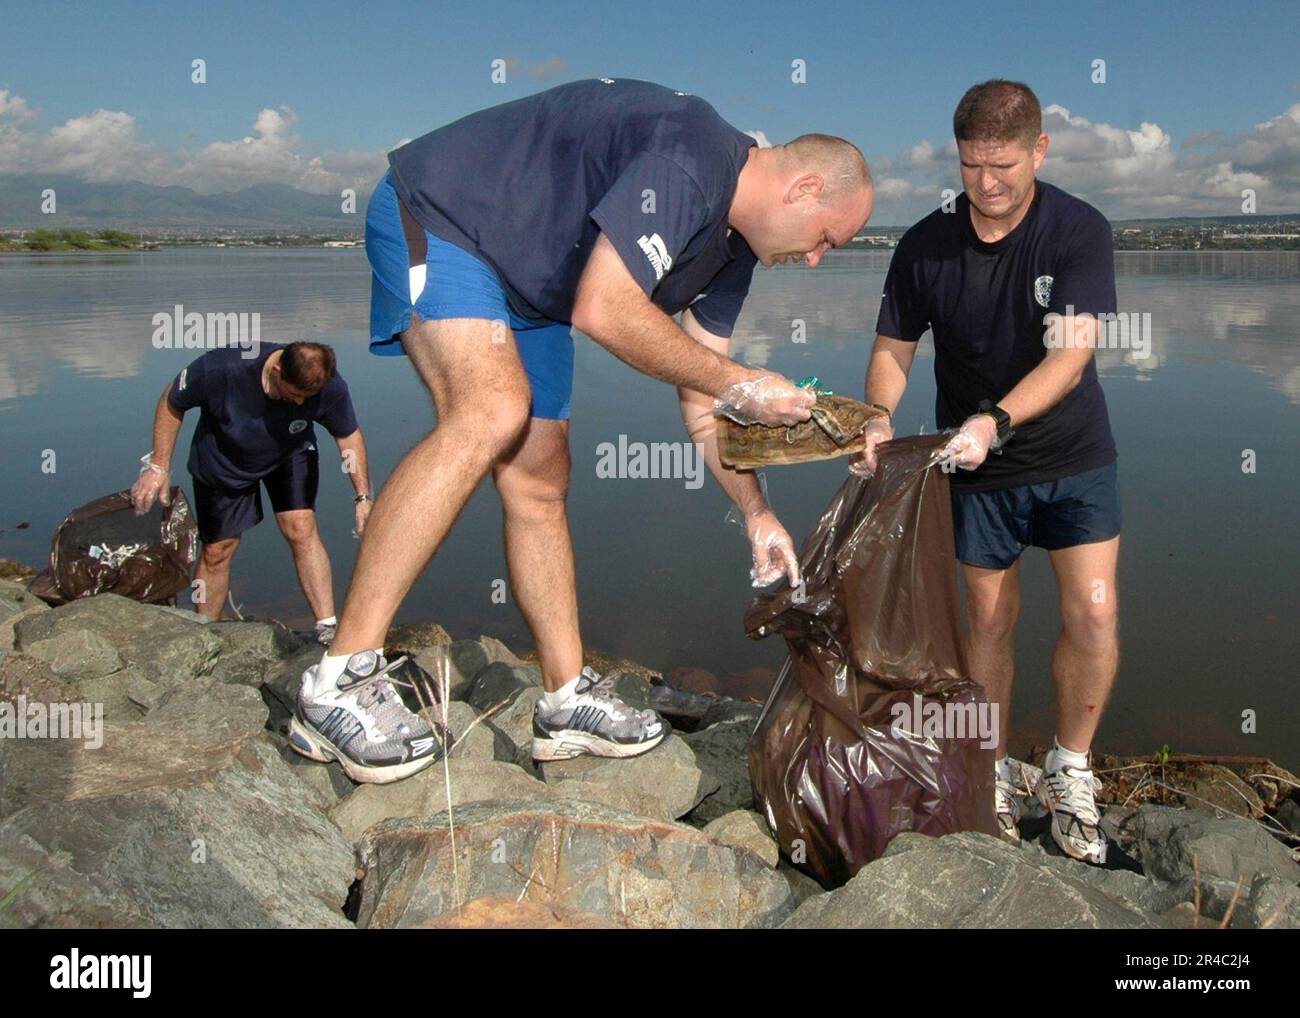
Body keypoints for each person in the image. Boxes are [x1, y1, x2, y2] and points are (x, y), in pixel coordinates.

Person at [288, 77, 874, 784]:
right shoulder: (693, 155)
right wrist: (741, 382)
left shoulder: (736, 250)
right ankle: (339, 680)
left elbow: (702, 397)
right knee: (491, 409)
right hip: (445, 215)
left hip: (535, 282)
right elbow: (605, 310)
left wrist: (757, 513)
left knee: (541, 475)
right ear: (805, 188)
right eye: (824, 240)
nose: (814, 259)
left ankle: (564, 701)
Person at [854, 80, 1120, 864]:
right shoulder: (924, 245)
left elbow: (1071, 356)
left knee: (1095, 616)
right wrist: (878, 415)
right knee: (991, 622)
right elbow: (892, 352)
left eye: (1003, 164)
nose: (987, 183)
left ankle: (1071, 767)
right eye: (972, 166)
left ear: (1039, 149)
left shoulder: (1078, 230)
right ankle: (994, 766)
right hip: (974, 472)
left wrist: (995, 421)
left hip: (1072, 457)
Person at [131, 341, 372, 642]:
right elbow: (172, 401)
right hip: (224, 459)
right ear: (277, 370)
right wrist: (158, 467)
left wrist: (362, 497)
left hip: (289, 452)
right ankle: (206, 634)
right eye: (294, 395)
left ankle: (328, 627)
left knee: (301, 528)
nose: (299, 404)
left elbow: (347, 435)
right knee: (218, 550)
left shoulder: (328, 387)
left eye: (306, 398)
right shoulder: (221, 369)